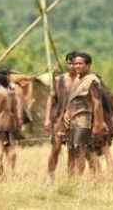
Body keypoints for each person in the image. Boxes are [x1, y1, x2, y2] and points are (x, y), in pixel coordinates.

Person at [65, 52, 106, 177]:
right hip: (73, 120)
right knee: (80, 150)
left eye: (80, 63)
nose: (77, 66)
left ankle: (77, 180)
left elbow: (97, 104)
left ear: (88, 65)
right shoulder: (78, 79)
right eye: (75, 63)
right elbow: (72, 99)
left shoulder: (93, 80)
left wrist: (98, 125)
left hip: (84, 120)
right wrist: (66, 113)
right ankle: (97, 177)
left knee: (79, 150)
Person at [44, 51, 77, 180]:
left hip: (76, 119)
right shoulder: (60, 80)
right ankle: (50, 175)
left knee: (72, 150)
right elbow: (51, 99)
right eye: (70, 64)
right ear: (67, 63)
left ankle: (71, 179)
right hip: (59, 119)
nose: (73, 66)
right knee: (56, 148)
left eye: (76, 64)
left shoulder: (83, 80)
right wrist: (47, 118)